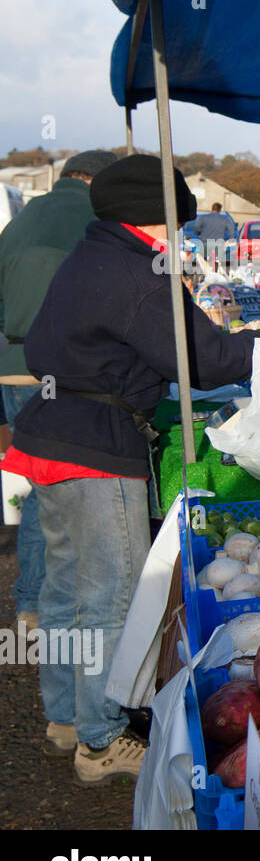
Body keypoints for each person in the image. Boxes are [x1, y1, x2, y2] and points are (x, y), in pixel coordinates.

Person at [1, 154, 260, 782]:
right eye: (177, 219)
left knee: (64, 593)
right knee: (112, 599)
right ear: (157, 217)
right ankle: (101, 741)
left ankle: (66, 719)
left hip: (50, 439)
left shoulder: (90, 254)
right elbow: (200, 358)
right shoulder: (139, 273)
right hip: (94, 448)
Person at [0, 149, 117, 634]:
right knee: (67, 492)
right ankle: (69, 612)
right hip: (61, 372)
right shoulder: (92, 220)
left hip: (11, 369)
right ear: (96, 182)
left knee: (36, 487)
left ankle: (29, 606)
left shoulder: (20, 222)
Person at [190, 201, 237, 269]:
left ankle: (203, 273)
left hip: (205, 243)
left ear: (211, 208)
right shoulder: (225, 219)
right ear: (220, 210)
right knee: (217, 261)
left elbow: (196, 227)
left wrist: (198, 233)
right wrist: (230, 240)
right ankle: (216, 271)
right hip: (219, 244)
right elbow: (231, 229)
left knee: (202, 260)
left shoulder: (202, 217)